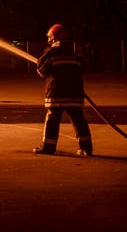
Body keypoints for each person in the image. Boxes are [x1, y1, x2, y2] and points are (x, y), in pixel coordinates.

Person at [33, 23, 93, 156]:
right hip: (74, 96)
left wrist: (44, 56)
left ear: (53, 38)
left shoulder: (51, 54)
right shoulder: (74, 54)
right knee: (79, 121)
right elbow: (82, 66)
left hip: (56, 96)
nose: (48, 40)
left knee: (52, 122)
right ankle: (86, 148)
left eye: (49, 38)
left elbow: (41, 71)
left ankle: (48, 147)